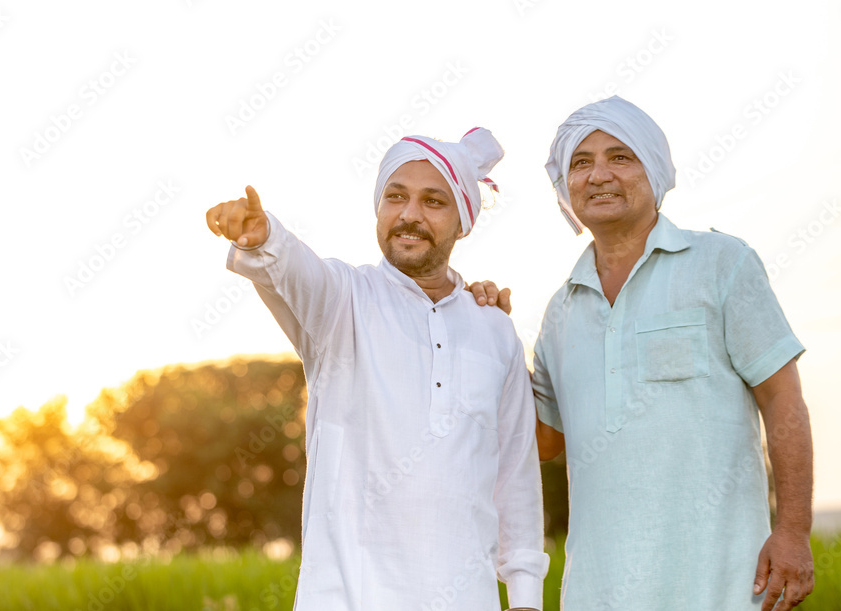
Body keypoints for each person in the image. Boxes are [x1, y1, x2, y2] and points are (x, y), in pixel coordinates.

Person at [206, 128, 548, 610]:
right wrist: (265, 237)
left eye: (433, 201)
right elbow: (296, 270)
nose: (409, 214)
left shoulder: (495, 331)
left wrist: (527, 600)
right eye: (395, 196)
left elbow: (515, 473)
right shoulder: (343, 301)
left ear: (463, 222)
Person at [531, 96, 815, 610]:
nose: (598, 175)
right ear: (564, 186)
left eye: (620, 157)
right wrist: (472, 320)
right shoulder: (559, 311)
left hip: (723, 586)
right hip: (599, 593)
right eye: (581, 161)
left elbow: (782, 399)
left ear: (654, 170)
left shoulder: (721, 263)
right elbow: (542, 442)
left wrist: (793, 530)